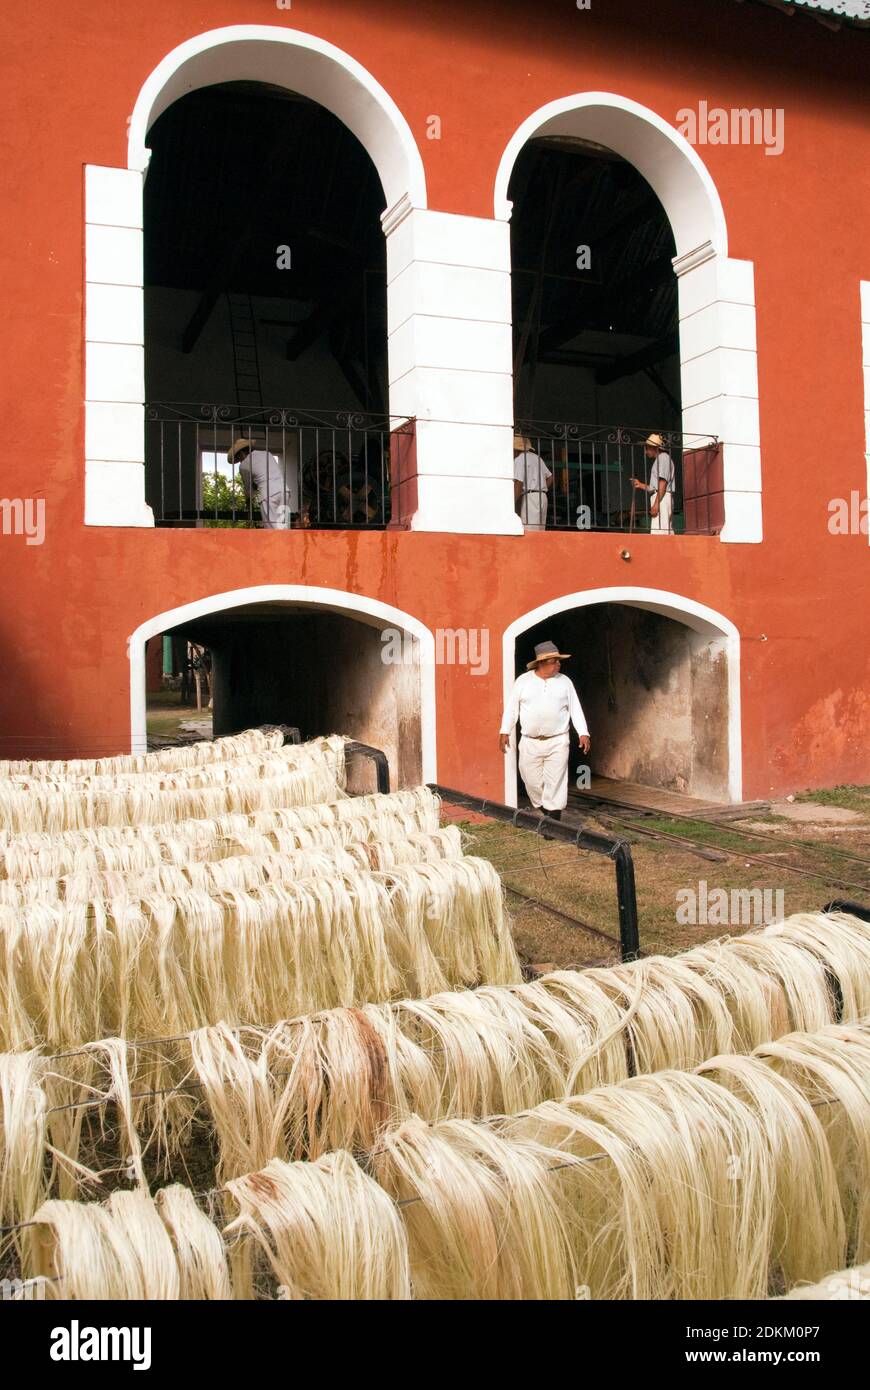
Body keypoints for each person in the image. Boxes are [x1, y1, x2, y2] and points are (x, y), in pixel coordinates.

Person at [499, 640, 591, 821]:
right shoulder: (523, 681)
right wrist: (505, 731)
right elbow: (511, 708)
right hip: (530, 741)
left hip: (558, 740)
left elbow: (575, 708)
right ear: (541, 663)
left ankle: (553, 820)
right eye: (554, 661)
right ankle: (544, 808)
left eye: (558, 660)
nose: (558, 664)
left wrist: (583, 732)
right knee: (531, 780)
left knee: (555, 781)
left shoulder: (565, 682)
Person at [228, 438, 297, 530]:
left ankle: (275, 544)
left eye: (239, 458)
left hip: (268, 494)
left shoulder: (244, 465)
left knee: (272, 528)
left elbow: (248, 489)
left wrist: (249, 504)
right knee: (283, 526)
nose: (240, 461)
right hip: (284, 490)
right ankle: (284, 543)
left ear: (241, 454)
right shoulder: (266, 454)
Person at [632, 432, 675, 535]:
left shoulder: (663, 458)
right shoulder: (661, 459)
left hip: (661, 498)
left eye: (647, 448)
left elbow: (663, 483)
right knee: (663, 529)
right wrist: (640, 485)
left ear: (654, 447)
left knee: (660, 531)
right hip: (661, 497)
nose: (646, 452)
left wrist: (656, 504)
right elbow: (656, 486)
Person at [513, 434, 552, 531]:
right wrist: (539, 489)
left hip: (530, 498)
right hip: (542, 497)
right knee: (540, 530)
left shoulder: (519, 459)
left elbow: (519, 483)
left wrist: (511, 502)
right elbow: (550, 477)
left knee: (530, 531)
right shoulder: (536, 457)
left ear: (516, 449)